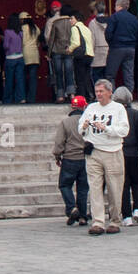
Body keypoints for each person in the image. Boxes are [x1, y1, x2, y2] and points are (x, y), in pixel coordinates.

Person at [79, 79, 130, 235]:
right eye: (97, 92)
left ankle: (115, 219)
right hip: (94, 151)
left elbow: (124, 130)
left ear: (109, 92)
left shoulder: (118, 108)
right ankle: (98, 221)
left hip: (112, 151)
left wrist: (107, 128)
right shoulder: (90, 108)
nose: (98, 94)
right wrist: (84, 127)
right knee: (94, 188)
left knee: (115, 188)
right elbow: (80, 127)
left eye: (101, 91)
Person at [52, 94, 90, 226]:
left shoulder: (65, 122)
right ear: (84, 106)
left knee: (64, 185)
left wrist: (57, 155)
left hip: (69, 159)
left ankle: (71, 207)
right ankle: (83, 216)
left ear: (72, 107)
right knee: (83, 189)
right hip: (85, 159)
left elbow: (59, 142)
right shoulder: (88, 121)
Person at [114, 87, 138, 226]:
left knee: (123, 185)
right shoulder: (135, 114)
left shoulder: (115, 114)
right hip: (135, 152)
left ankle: (126, 215)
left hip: (119, 151)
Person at [103, 0, 138, 91]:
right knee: (128, 75)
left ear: (118, 6)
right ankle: (128, 98)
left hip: (117, 47)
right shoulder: (134, 19)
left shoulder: (114, 17)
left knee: (110, 74)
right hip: (131, 49)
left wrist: (111, 43)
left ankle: (111, 97)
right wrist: (136, 46)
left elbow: (108, 34)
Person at [46, 7, 76, 103]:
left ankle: (60, 96)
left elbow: (52, 39)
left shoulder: (56, 23)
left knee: (58, 74)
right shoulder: (72, 23)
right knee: (69, 72)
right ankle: (72, 94)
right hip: (68, 50)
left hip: (57, 50)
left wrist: (49, 53)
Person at [69, 7, 96, 102]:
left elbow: (76, 43)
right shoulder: (86, 28)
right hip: (89, 55)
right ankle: (91, 95)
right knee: (87, 76)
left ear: (77, 19)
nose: (70, 20)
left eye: (71, 18)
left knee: (79, 77)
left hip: (81, 56)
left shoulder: (75, 28)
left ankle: (82, 97)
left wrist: (69, 49)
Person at [18, 12, 41, 103]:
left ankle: (23, 97)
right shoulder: (35, 27)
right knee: (33, 79)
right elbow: (38, 40)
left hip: (25, 54)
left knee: (23, 77)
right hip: (35, 55)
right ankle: (32, 98)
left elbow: (22, 41)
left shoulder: (22, 28)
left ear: (22, 19)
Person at [2, 20, 25, 104]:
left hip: (10, 57)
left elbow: (6, 45)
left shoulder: (7, 32)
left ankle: (8, 99)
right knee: (20, 79)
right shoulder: (20, 32)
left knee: (9, 80)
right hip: (20, 57)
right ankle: (21, 98)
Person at [88, 2, 110, 89]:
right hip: (108, 49)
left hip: (97, 50)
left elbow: (92, 39)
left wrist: (90, 52)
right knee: (107, 75)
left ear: (96, 11)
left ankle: (99, 93)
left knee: (96, 75)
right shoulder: (110, 21)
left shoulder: (92, 23)